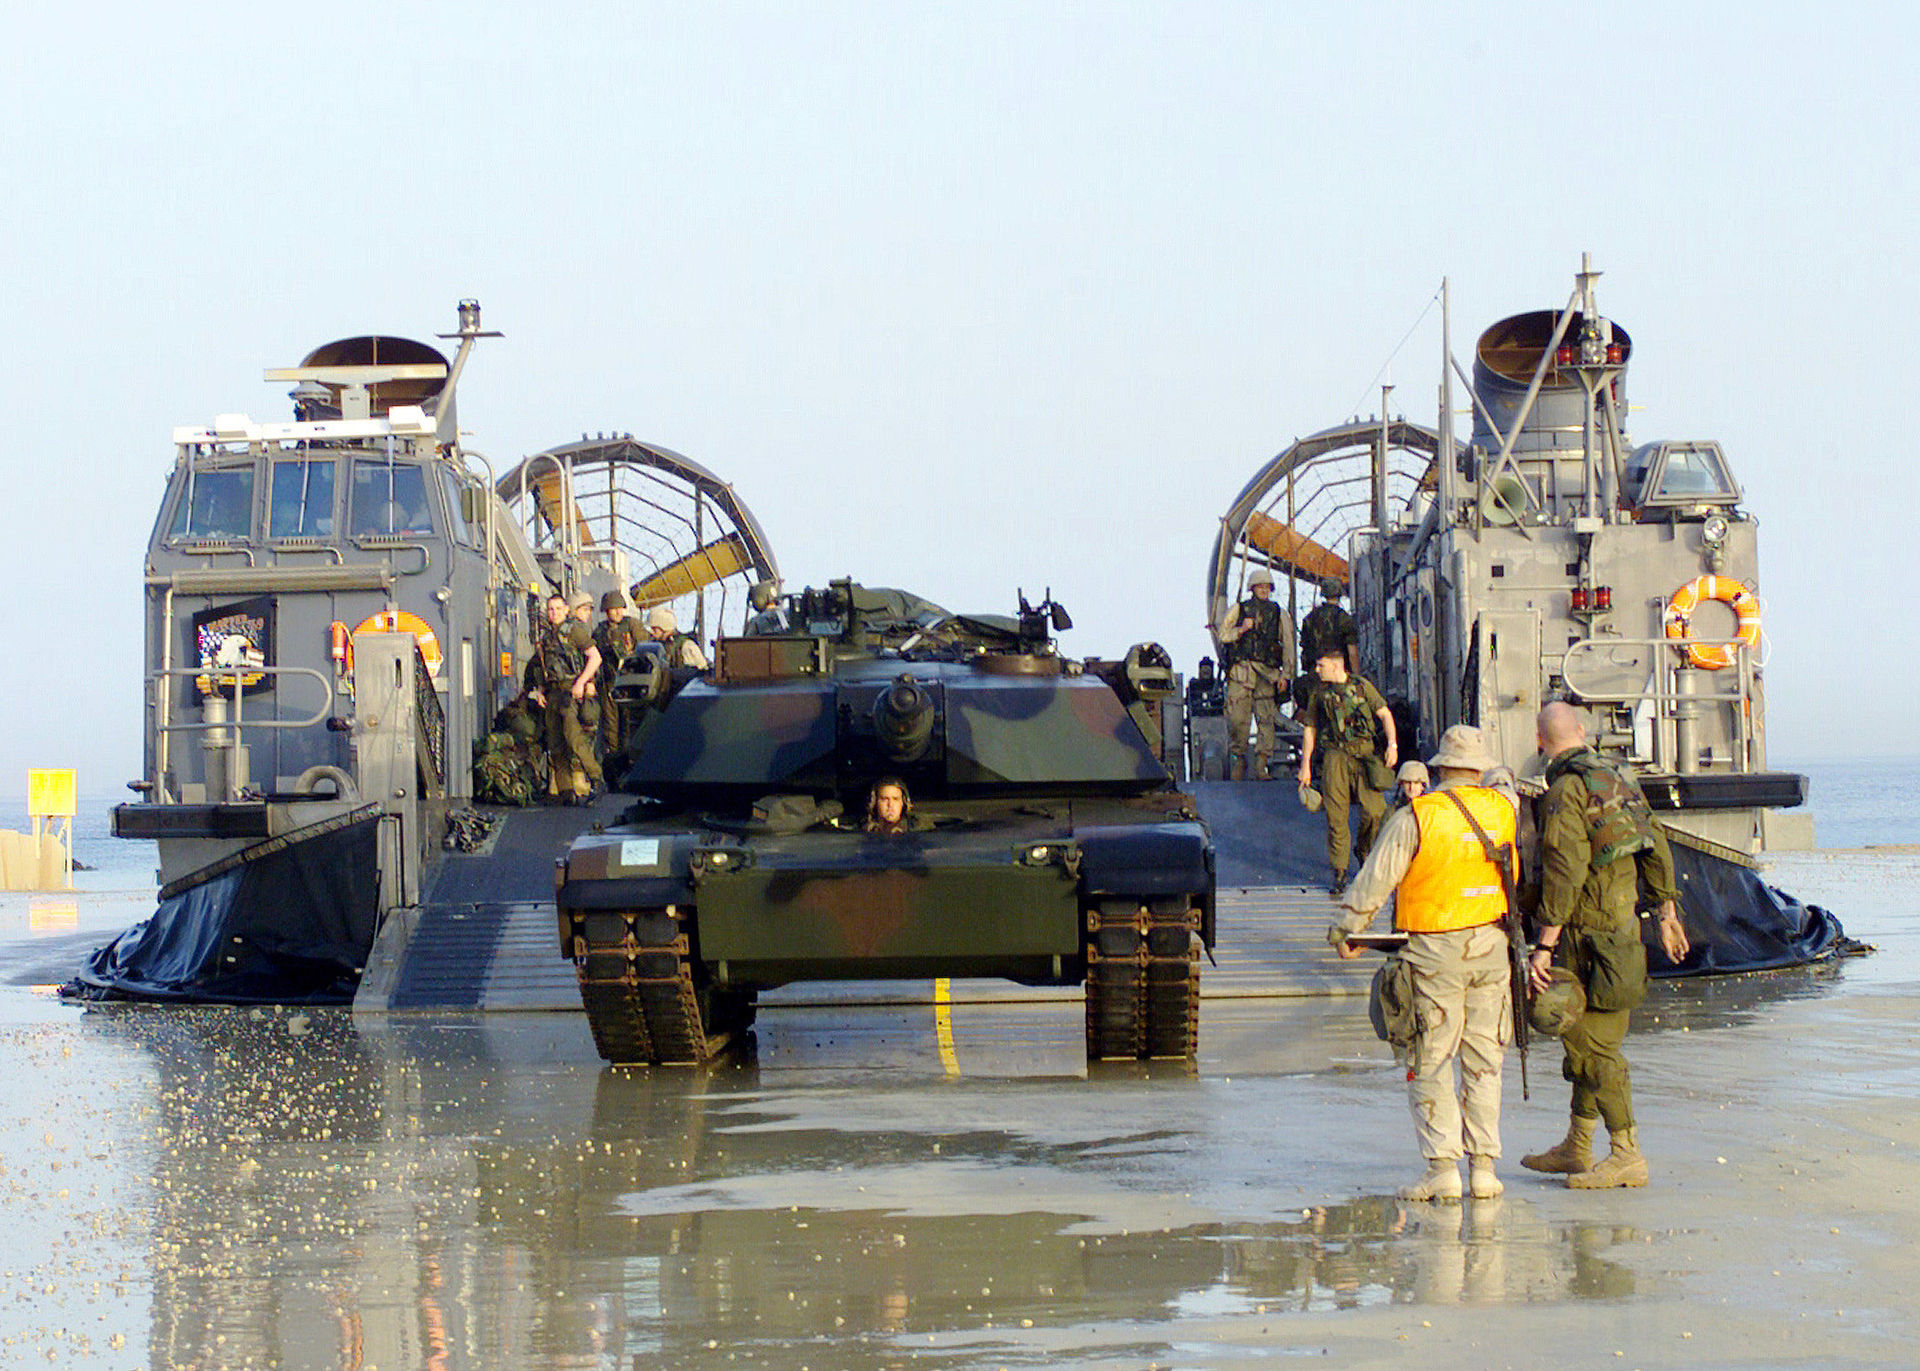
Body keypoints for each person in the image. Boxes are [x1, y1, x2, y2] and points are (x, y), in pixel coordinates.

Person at [1328, 725, 1518, 1201]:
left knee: (1430, 1058)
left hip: (1435, 951)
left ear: (1439, 768)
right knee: (1485, 1060)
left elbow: (1377, 876)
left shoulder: (1420, 815)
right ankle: (1484, 1170)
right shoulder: (1502, 812)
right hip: (1493, 946)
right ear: (1478, 769)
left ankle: (1442, 1170)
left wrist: (1348, 929)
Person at [1521, 701, 1691, 1189]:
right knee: (1593, 1041)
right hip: (1622, 935)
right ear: (1580, 731)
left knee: (1592, 1049)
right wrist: (1666, 913)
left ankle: (1625, 1153)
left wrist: (1545, 944)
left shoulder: (1566, 789)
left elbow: (1565, 866)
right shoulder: (1619, 778)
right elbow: (1656, 843)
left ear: (1540, 741)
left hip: (1582, 935)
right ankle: (1578, 1144)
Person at [1297, 646, 1397, 894]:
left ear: (1335, 665)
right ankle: (1340, 873)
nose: (1317, 670)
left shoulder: (1362, 687)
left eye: (1321, 665)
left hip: (1364, 754)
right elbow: (1311, 729)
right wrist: (1306, 765)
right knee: (1336, 816)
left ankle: (1364, 850)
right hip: (1335, 757)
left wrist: (1392, 745)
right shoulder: (1319, 693)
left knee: (1375, 811)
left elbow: (1384, 714)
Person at [1214, 567, 1295, 780]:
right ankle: (1239, 760)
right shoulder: (1239, 610)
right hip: (1242, 673)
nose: (1264, 590)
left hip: (1267, 675)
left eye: (1267, 586)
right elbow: (1223, 634)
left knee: (1266, 720)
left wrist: (1286, 674)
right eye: (1260, 586)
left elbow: (1288, 644)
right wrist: (1241, 630)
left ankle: (1261, 765)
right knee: (1238, 720)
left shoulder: (1278, 613)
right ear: (1252, 588)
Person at [529, 592, 602, 803]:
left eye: (558, 609)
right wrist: (541, 690)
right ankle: (566, 791)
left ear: (566, 610)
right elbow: (543, 666)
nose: (554, 613)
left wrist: (581, 682)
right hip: (553, 692)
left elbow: (595, 657)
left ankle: (596, 778)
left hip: (571, 690)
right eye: (551, 609)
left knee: (574, 737)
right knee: (555, 744)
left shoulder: (574, 631)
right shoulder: (546, 637)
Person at [593, 590, 645, 760]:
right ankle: (613, 759)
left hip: (629, 682)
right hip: (608, 682)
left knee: (629, 724)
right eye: (613, 609)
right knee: (610, 725)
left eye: (620, 608)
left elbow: (644, 651)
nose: (617, 612)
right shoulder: (600, 630)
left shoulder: (633, 625)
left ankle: (629, 758)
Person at [1296, 576, 1358, 709]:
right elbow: (1352, 652)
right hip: (1338, 675)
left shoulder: (1309, 618)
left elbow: (1305, 647)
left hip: (1315, 674)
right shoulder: (1344, 619)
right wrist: (1356, 678)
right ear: (1339, 594)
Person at [645, 604, 709, 670]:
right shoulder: (653, 645)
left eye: (654, 629)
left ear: (664, 628)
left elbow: (701, 671)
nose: (652, 632)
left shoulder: (686, 646)